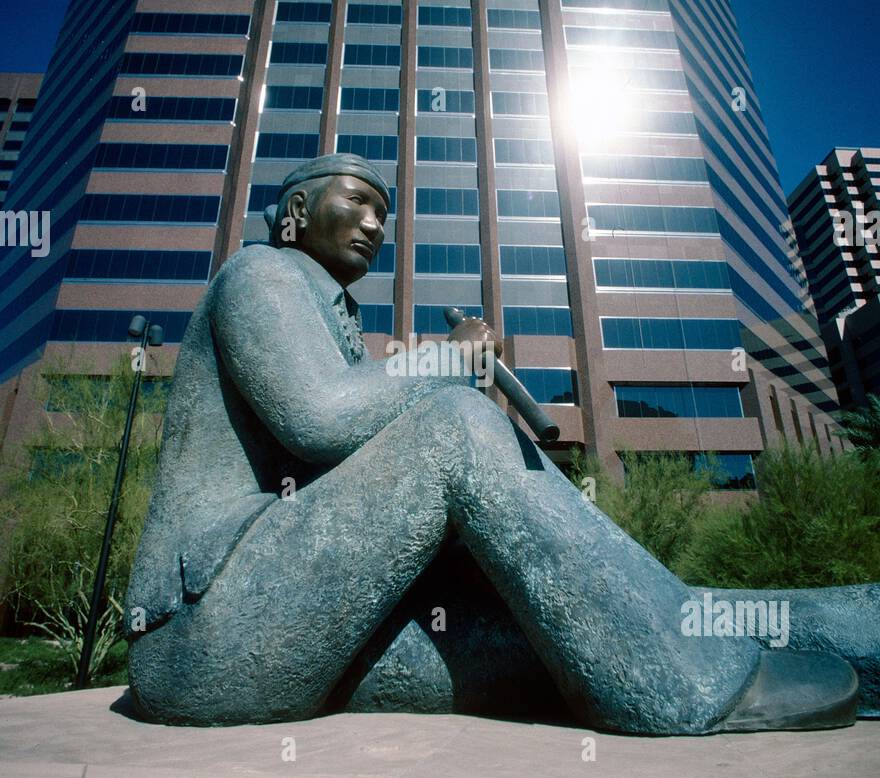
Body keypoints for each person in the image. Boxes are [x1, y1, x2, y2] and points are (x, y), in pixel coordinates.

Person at [126, 154, 870, 733]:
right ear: (296, 210)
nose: (375, 224)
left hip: (286, 623)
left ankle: (851, 629)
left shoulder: (336, 318)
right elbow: (319, 417)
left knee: (590, 623)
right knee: (456, 426)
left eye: (384, 213)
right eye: (358, 201)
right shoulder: (262, 273)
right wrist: (450, 360)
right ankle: (690, 690)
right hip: (204, 631)